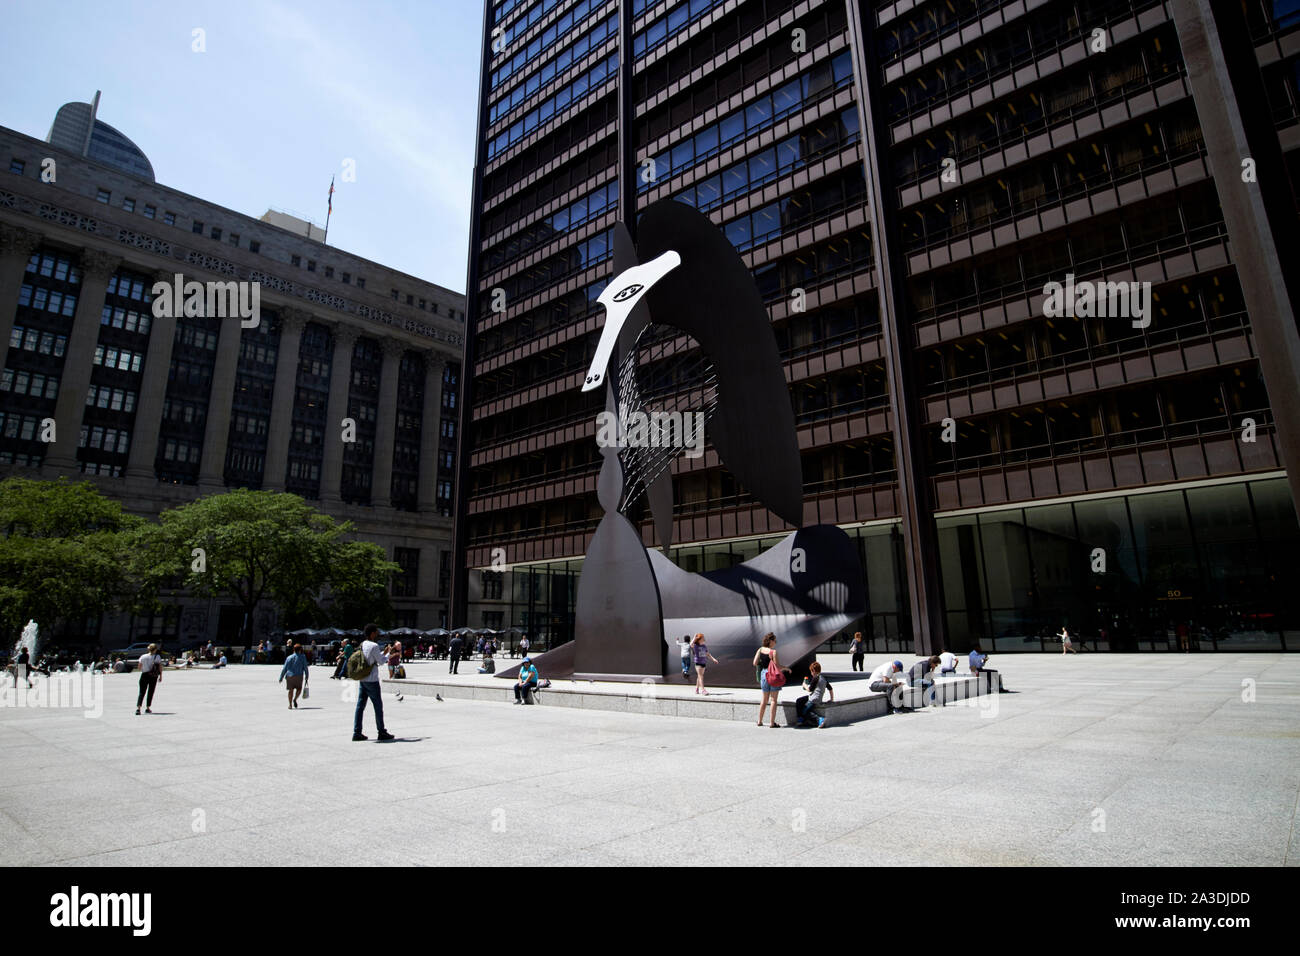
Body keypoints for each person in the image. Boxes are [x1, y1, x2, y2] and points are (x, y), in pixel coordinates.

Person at [353, 623, 394, 742]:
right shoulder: (374, 645)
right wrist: (388, 654)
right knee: (378, 706)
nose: (377, 634)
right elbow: (380, 662)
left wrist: (384, 652)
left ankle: (357, 732)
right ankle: (381, 731)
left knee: (360, 706)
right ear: (372, 633)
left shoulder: (363, 644)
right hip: (372, 679)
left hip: (363, 678)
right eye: (376, 632)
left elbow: (371, 659)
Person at [752, 633, 789, 728]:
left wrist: (763, 662)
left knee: (764, 700)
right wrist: (786, 668)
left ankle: (759, 721)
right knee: (773, 700)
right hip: (773, 676)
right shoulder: (773, 652)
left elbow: (755, 663)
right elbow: (777, 667)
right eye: (775, 641)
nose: (775, 643)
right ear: (771, 641)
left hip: (764, 675)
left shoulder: (760, 650)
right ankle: (772, 723)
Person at [796, 661, 834, 728]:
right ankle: (800, 719)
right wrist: (831, 699)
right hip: (814, 697)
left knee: (804, 711)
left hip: (813, 699)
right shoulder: (823, 678)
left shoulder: (815, 678)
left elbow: (809, 689)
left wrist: (804, 685)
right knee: (799, 701)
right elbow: (830, 688)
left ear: (814, 671)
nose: (811, 673)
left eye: (811, 671)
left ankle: (820, 719)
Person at [279, 643, 309, 709]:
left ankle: (290, 705)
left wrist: (281, 677)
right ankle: (295, 699)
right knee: (299, 689)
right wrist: (307, 675)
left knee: (290, 690)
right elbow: (305, 667)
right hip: (299, 676)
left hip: (289, 676)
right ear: (300, 649)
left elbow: (284, 668)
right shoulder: (303, 657)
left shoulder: (289, 657)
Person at [136, 643, 163, 715]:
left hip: (144, 675)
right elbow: (160, 667)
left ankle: (138, 708)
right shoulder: (157, 657)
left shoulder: (143, 656)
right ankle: (148, 708)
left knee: (141, 692)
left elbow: (139, 667)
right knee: (150, 692)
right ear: (155, 649)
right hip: (153, 676)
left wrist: (145, 668)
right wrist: (161, 676)